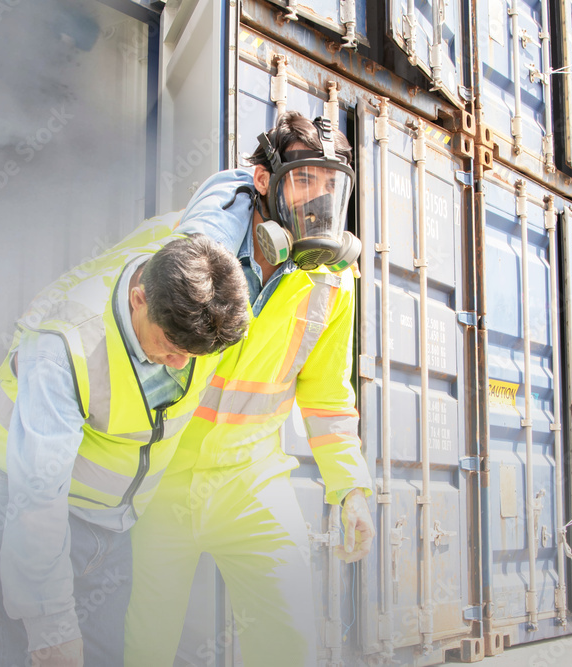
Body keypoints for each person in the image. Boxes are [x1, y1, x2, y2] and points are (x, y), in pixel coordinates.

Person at [124, 111, 376, 667]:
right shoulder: (195, 259)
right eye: (303, 179)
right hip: (164, 479)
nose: (317, 199)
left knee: (290, 641)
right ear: (263, 180)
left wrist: (351, 488)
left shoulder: (333, 278)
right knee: (147, 644)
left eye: (331, 184)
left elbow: (328, 395)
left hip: (254, 482)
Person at [0, 228, 249, 667]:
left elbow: (231, 198)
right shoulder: (63, 345)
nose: (182, 364)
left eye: (194, 354)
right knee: (32, 652)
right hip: (15, 497)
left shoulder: (196, 273)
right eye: (172, 348)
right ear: (139, 298)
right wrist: (50, 627)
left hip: (111, 521)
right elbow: (37, 499)